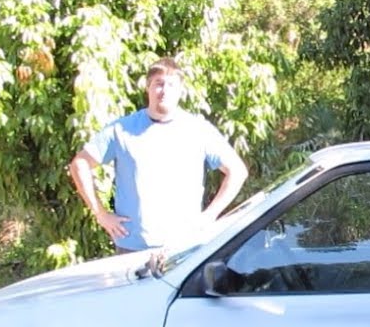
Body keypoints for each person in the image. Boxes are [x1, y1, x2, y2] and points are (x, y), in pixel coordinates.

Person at [68, 56, 248, 255]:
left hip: (184, 247)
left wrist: (210, 215)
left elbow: (237, 171)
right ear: (148, 87)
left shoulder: (198, 130)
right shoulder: (122, 130)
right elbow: (80, 164)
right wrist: (101, 214)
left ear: (180, 90)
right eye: (159, 84)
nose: (165, 91)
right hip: (132, 247)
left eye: (171, 85)